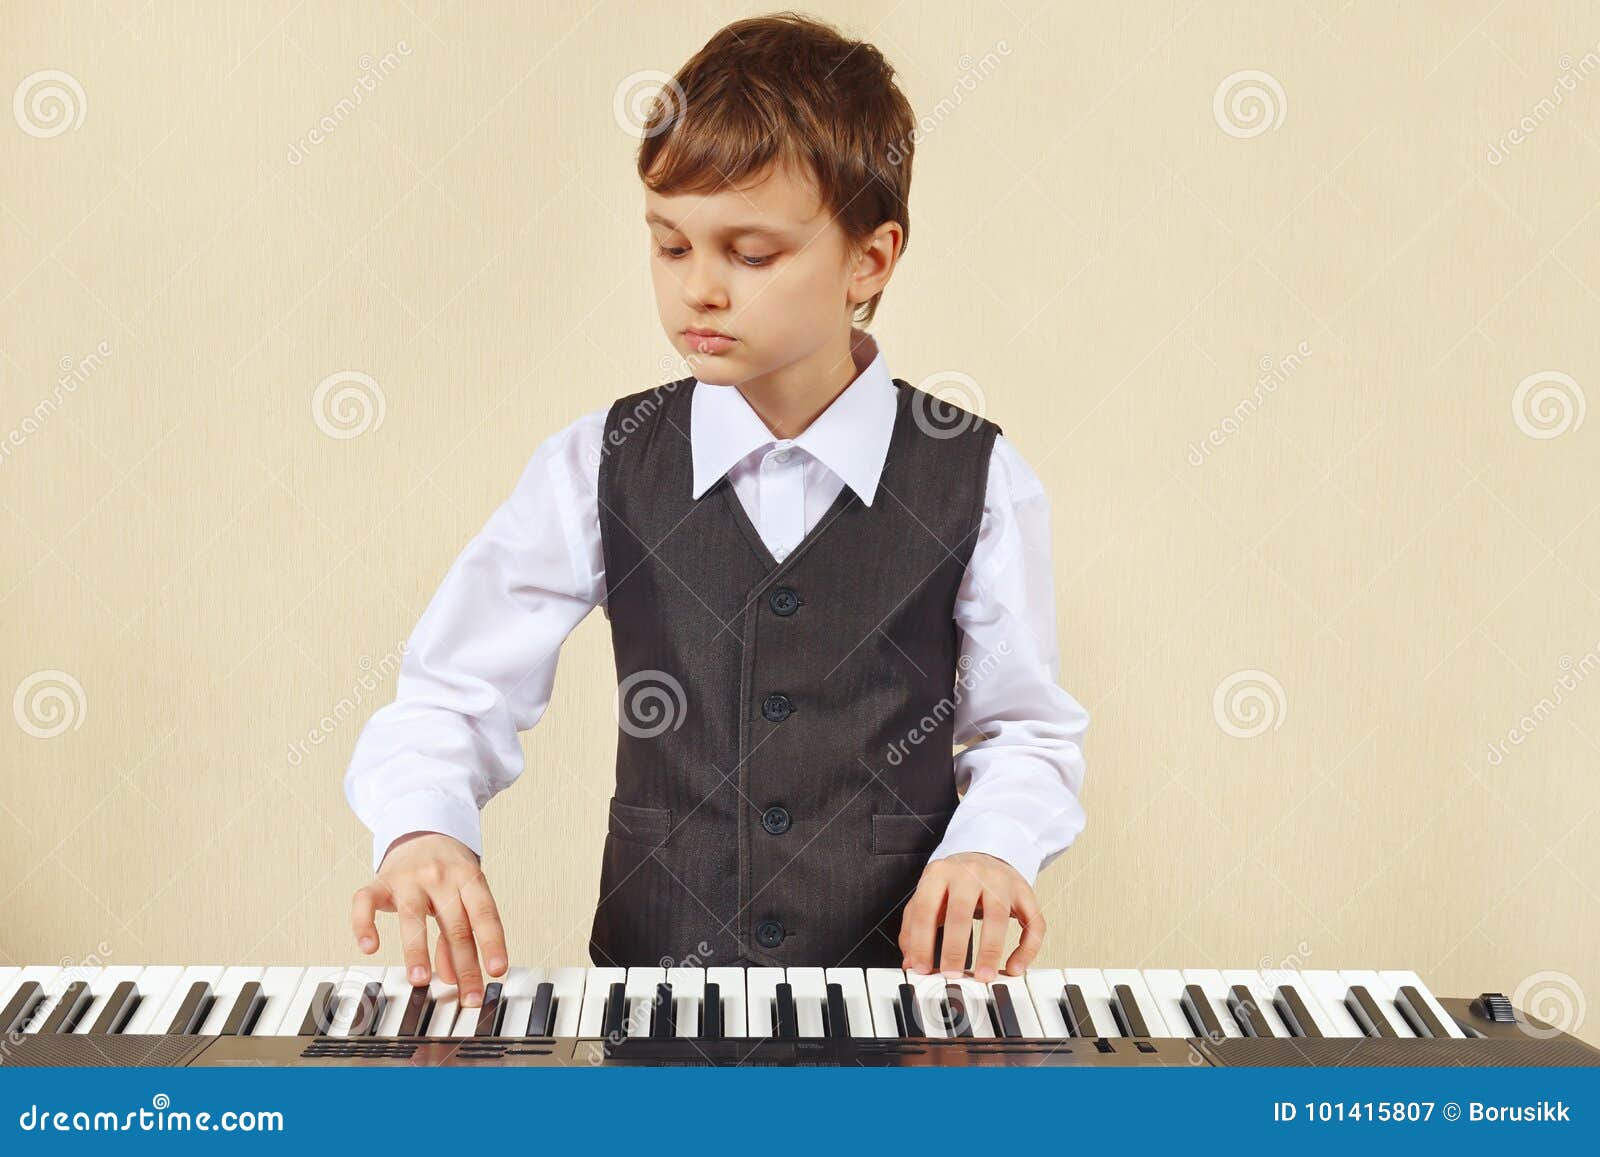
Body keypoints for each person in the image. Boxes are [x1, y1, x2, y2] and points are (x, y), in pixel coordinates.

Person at [345, 12, 1088, 1011]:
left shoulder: (977, 477)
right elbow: (450, 691)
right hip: (656, 1013)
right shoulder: (597, 463)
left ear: (868, 260)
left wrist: (994, 845)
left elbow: (1025, 732)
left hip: (896, 1013)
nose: (699, 289)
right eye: (669, 245)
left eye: (750, 254)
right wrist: (423, 826)